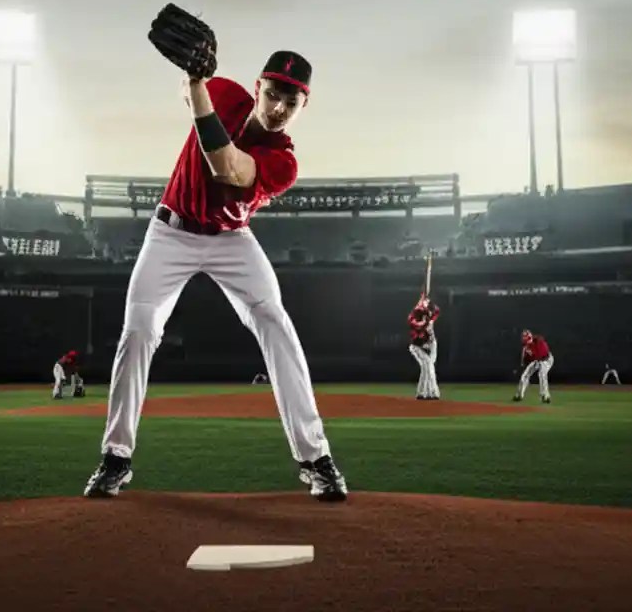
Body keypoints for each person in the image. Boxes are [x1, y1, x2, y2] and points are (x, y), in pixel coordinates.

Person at [83, 50, 348, 502]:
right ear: (257, 87)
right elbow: (190, 98)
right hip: (170, 231)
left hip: (231, 239)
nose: (279, 107)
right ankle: (116, 457)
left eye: (292, 100)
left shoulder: (283, 162)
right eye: (273, 93)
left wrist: (194, 85)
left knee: (275, 324)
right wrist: (194, 81)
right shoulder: (223, 92)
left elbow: (225, 165)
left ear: (305, 106)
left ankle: (315, 458)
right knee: (140, 330)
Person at [408, 294, 441, 400]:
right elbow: (418, 327)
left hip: (431, 345)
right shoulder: (413, 320)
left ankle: (422, 393)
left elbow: (437, 310)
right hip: (418, 347)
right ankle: (433, 393)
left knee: (428, 368)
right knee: (428, 366)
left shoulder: (428, 313)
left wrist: (428, 303)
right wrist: (426, 321)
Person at [514, 329, 554, 403]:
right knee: (525, 376)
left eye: (525, 338)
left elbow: (541, 354)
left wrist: (531, 355)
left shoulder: (539, 341)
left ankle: (545, 396)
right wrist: (522, 365)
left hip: (546, 359)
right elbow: (525, 360)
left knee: (542, 374)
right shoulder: (526, 347)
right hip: (536, 360)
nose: (524, 339)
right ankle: (519, 395)